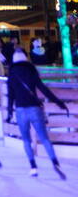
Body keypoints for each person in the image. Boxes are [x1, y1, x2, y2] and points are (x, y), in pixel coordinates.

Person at [6, 47, 68, 179]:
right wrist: (58, 102)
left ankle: (33, 167)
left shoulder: (11, 73)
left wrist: (9, 112)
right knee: (44, 138)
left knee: (26, 140)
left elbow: (10, 95)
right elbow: (43, 88)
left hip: (20, 110)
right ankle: (55, 162)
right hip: (34, 108)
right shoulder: (31, 69)